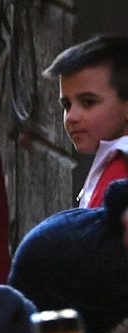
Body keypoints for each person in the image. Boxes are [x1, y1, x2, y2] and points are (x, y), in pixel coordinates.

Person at [54, 35, 128, 210]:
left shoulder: (120, 176)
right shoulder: (111, 166)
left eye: (88, 102)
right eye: (67, 105)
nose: (71, 117)